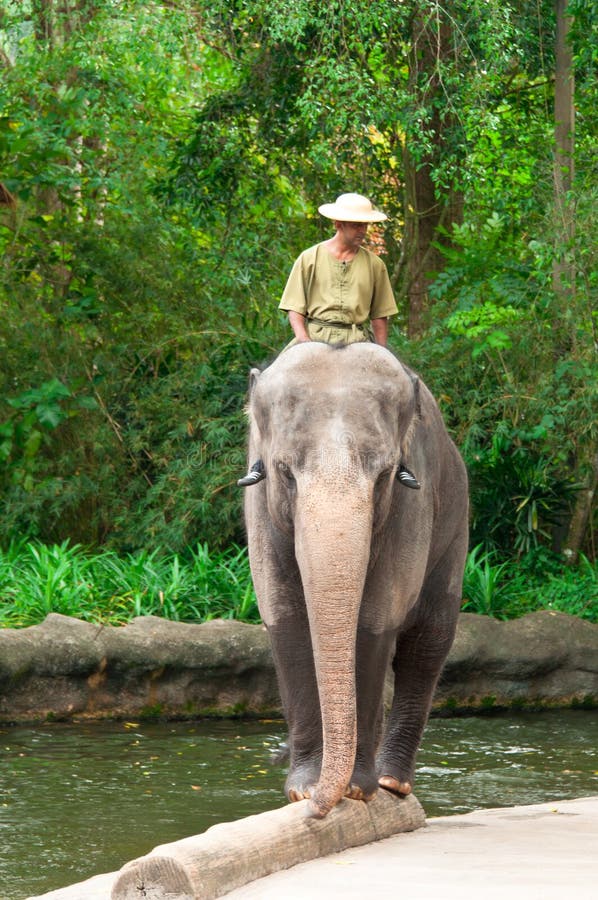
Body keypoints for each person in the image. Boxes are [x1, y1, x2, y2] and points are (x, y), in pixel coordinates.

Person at [238, 192, 420, 489]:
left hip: (358, 339)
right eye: (356, 225)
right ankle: (261, 459)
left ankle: (400, 460)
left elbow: (380, 316)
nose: (363, 231)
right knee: (265, 385)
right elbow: (295, 309)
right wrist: (304, 341)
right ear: (338, 223)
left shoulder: (375, 266)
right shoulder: (309, 258)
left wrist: (383, 355)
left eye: (365, 226)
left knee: (406, 386)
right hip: (314, 335)